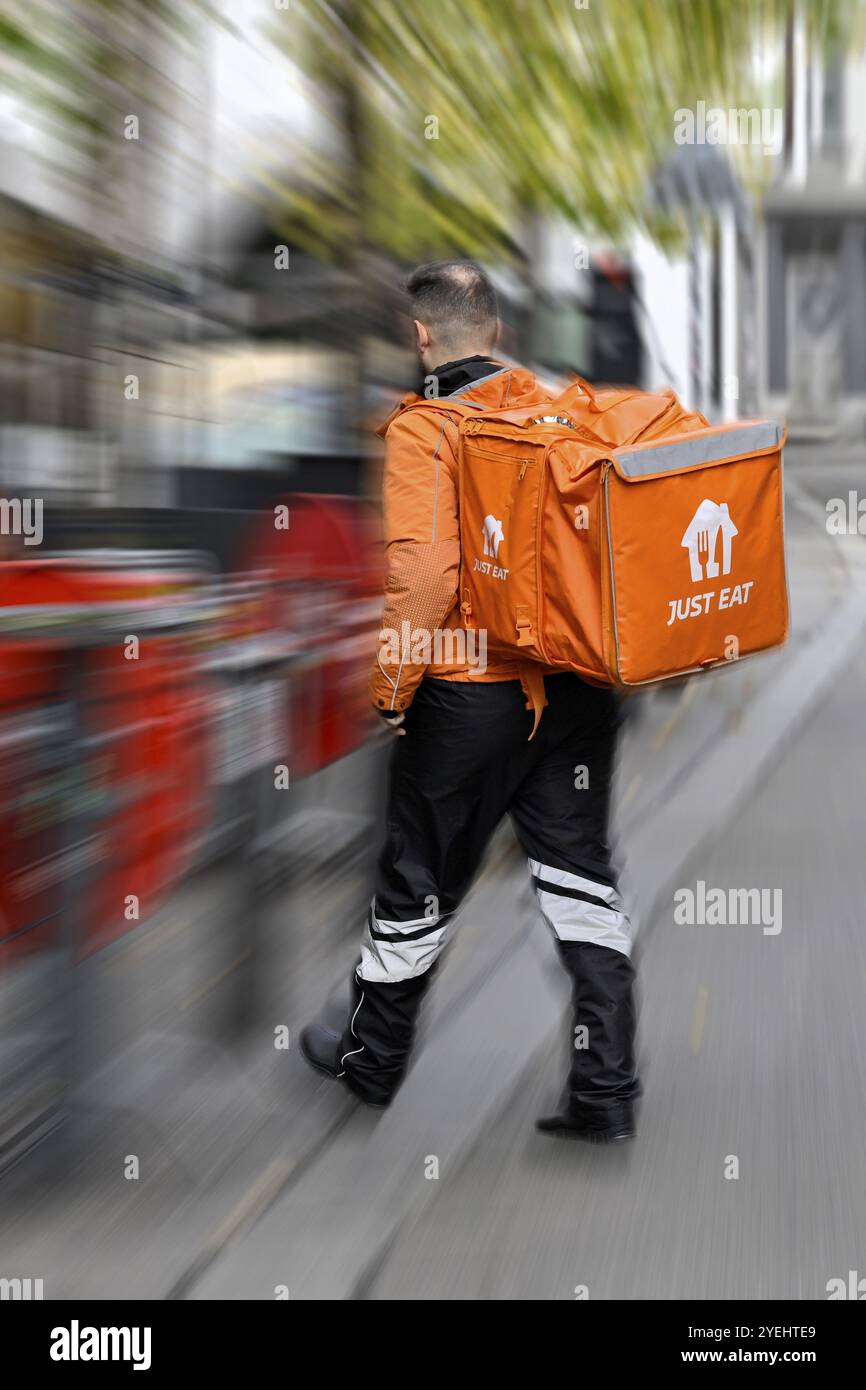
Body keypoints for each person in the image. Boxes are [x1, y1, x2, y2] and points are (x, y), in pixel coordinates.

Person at [301, 260, 640, 1142]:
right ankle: (606, 1085)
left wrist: (391, 687)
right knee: (580, 878)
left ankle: (370, 1061)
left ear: (422, 336)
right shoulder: (568, 407)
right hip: (578, 688)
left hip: (468, 697)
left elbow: (421, 575)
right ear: (494, 327)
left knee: (415, 882)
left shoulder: (427, 429)